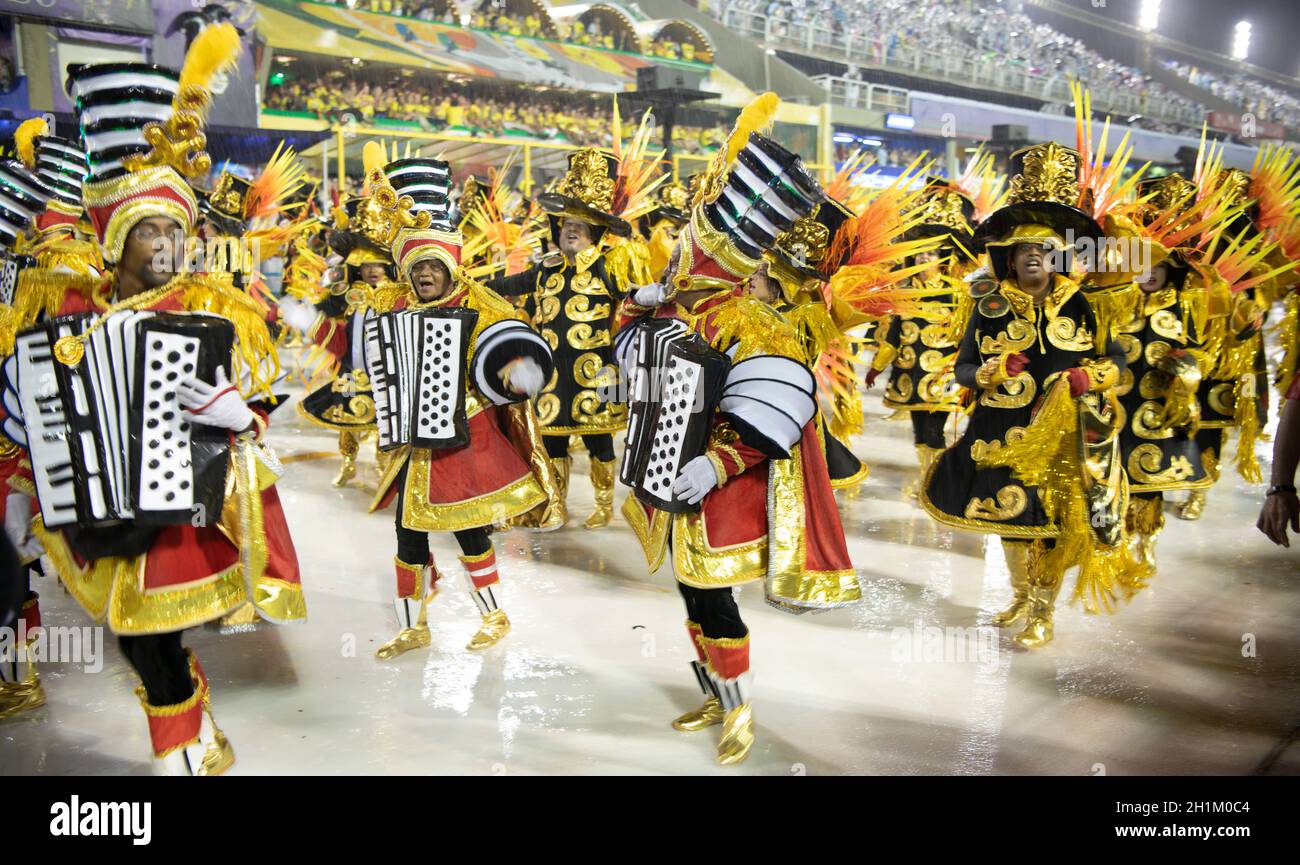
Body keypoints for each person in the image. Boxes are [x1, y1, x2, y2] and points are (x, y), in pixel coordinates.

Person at [2, 26, 306, 773]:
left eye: (177, 226)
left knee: (146, 636)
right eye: (149, 230)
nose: (167, 242)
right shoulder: (74, 321)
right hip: (100, 510)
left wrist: (243, 418)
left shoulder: (215, 310)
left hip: (188, 508)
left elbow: (262, 396)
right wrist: (16, 484)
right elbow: (30, 407)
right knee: (140, 640)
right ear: (114, 241)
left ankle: (178, 748)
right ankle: (196, 725)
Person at [614, 95, 859, 765]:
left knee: (713, 597)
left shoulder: (753, 326)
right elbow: (631, 357)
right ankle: (714, 692)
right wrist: (636, 306)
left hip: (719, 486)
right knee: (690, 589)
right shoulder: (678, 312)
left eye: (684, 264)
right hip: (670, 472)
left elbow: (772, 414)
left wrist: (716, 467)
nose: (673, 270)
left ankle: (739, 707)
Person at [920, 142, 1135, 649]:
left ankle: (1043, 609)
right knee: (1011, 516)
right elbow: (963, 369)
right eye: (1023, 251)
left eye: (1042, 251)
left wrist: (1091, 379)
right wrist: (991, 372)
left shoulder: (1085, 303)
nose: (1033, 258)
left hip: (1067, 434)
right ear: (1008, 259)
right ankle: (1020, 593)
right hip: (999, 432)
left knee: (1052, 521)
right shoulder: (988, 308)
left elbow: (1121, 365)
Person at [360, 157, 559, 656]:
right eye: (417, 267)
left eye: (433, 266)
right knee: (408, 533)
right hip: (413, 443)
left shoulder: (479, 304)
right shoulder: (394, 305)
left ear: (451, 267)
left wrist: (518, 372)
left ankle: (494, 615)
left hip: (462, 438)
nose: (425, 275)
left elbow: (511, 341)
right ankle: (414, 624)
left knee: (469, 528)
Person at [486, 149, 636, 529]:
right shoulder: (545, 270)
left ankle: (604, 505)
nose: (571, 230)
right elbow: (504, 286)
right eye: (567, 223)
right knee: (551, 439)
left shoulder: (611, 266)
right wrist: (467, 286)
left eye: (581, 225)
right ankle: (558, 502)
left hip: (603, 372)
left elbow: (640, 301)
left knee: (600, 443)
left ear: (596, 233)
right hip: (551, 373)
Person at [868, 180, 977, 498]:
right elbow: (892, 333)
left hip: (944, 377)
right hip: (910, 374)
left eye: (930, 254)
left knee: (935, 430)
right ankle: (927, 479)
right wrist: (877, 366)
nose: (922, 260)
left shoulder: (959, 292)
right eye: (919, 254)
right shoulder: (903, 289)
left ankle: (936, 482)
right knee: (920, 432)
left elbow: (968, 335)